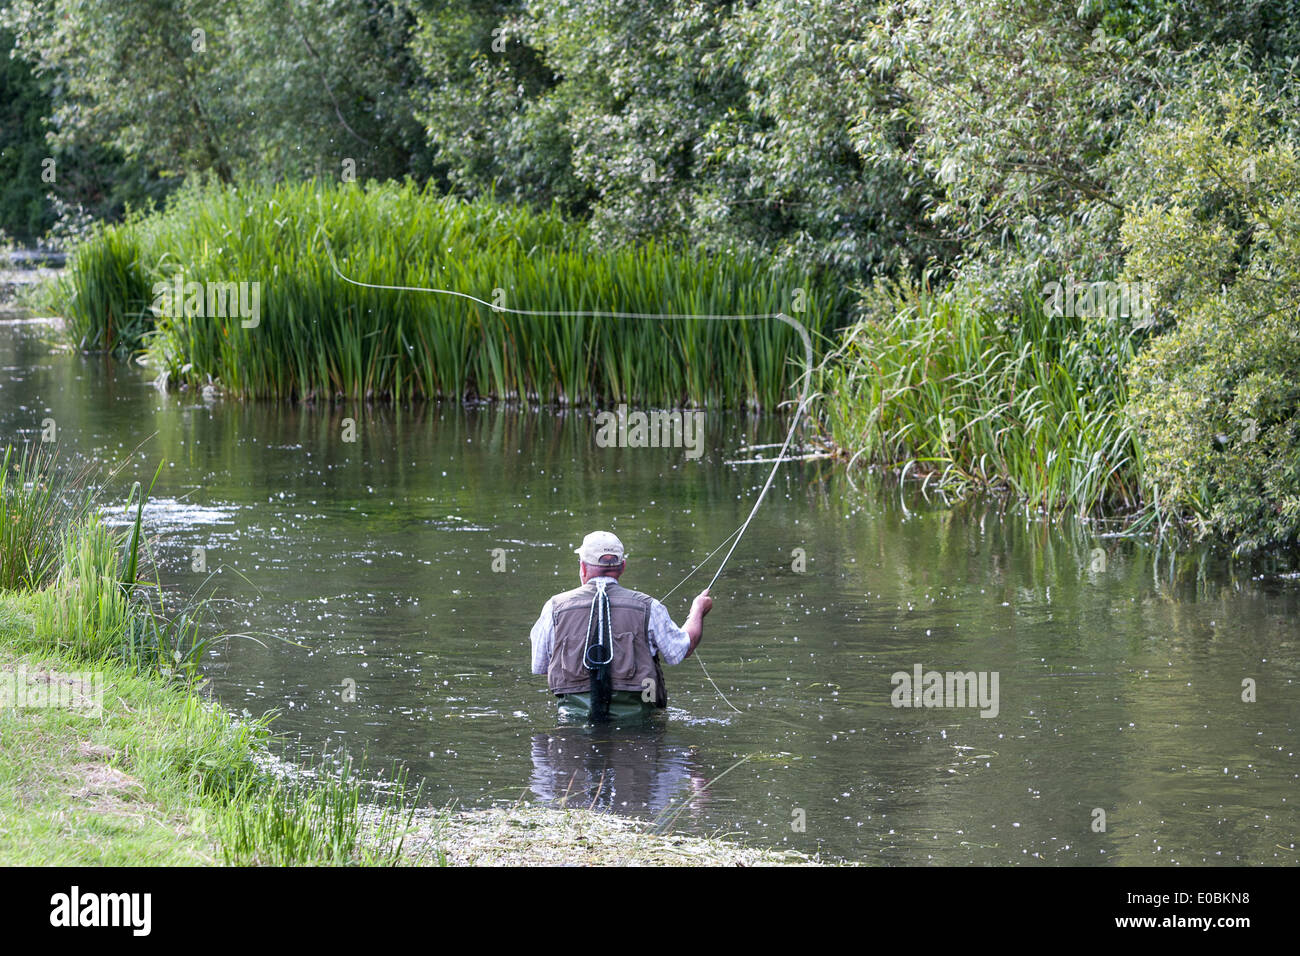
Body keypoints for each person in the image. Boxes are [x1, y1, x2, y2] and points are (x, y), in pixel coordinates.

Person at [529, 531, 712, 721]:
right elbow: (682, 649)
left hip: (573, 725)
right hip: (638, 724)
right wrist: (697, 610)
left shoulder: (553, 607)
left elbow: (541, 666)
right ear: (622, 567)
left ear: (583, 567)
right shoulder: (650, 606)